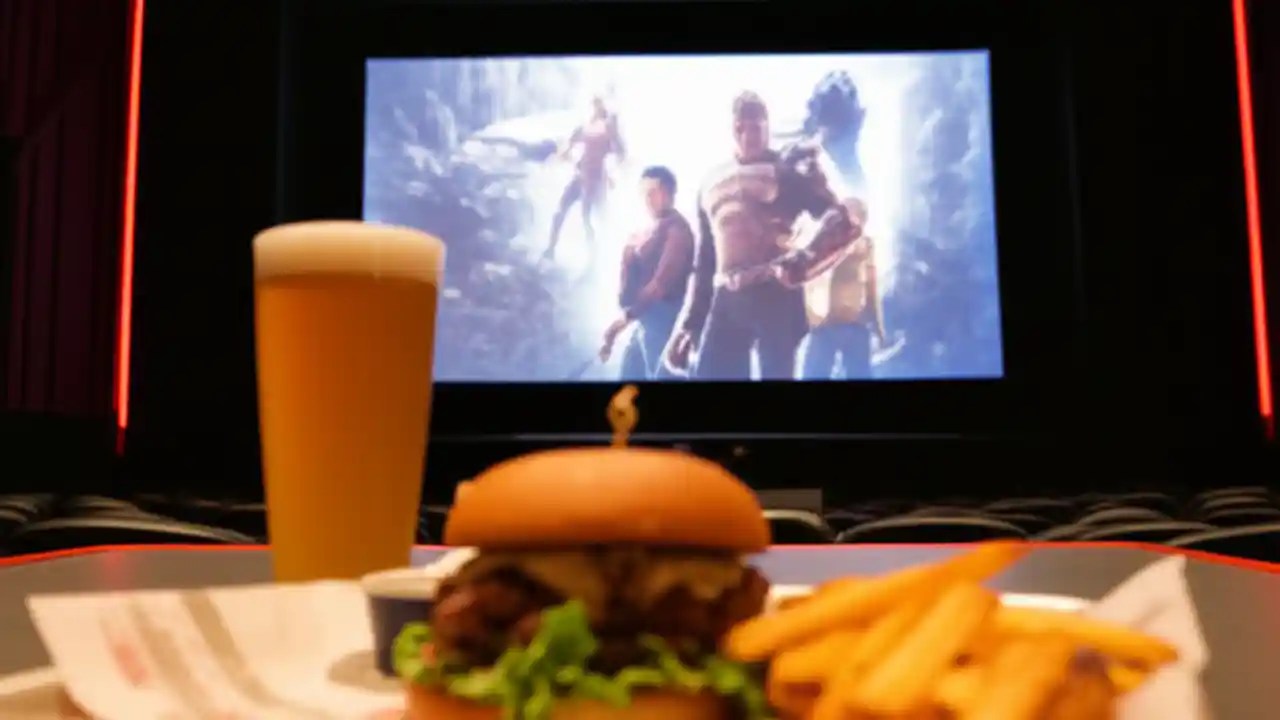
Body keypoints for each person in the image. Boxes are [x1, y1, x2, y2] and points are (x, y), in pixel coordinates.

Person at [664, 91, 862, 380]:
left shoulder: (787, 173)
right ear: (733, 129)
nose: (748, 135)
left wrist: (805, 260)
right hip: (727, 297)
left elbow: (841, 221)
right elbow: (706, 260)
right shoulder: (710, 183)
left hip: (774, 292)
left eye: (756, 127)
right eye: (741, 128)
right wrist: (691, 324)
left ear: (766, 127)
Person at [599, 166, 694, 379]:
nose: (648, 198)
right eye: (644, 192)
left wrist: (623, 320)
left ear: (669, 193)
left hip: (664, 317)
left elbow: (661, 283)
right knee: (630, 375)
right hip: (646, 317)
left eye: (654, 192)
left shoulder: (676, 231)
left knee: (662, 375)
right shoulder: (651, 229)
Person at [800, 197, 885, 379]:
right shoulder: (818, 241)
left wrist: (877, 325)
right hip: (823, 324)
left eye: (857, 215)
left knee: (859, 372)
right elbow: (806, 276)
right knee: (814, 373)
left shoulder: (865, 245)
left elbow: (871, 284)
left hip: (854, 323)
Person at [542, 96, 626, 264]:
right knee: (561, 210)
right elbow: (569, 145)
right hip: (581, 177)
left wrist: (612, 174)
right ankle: (551, 248)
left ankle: (596, 259)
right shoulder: (587, 126)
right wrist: (561, 155)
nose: (595, 109)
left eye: (599, 106)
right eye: (594, 105)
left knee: (590, 220)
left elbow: (621, 153)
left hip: (596, 180)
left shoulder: (608, 129)